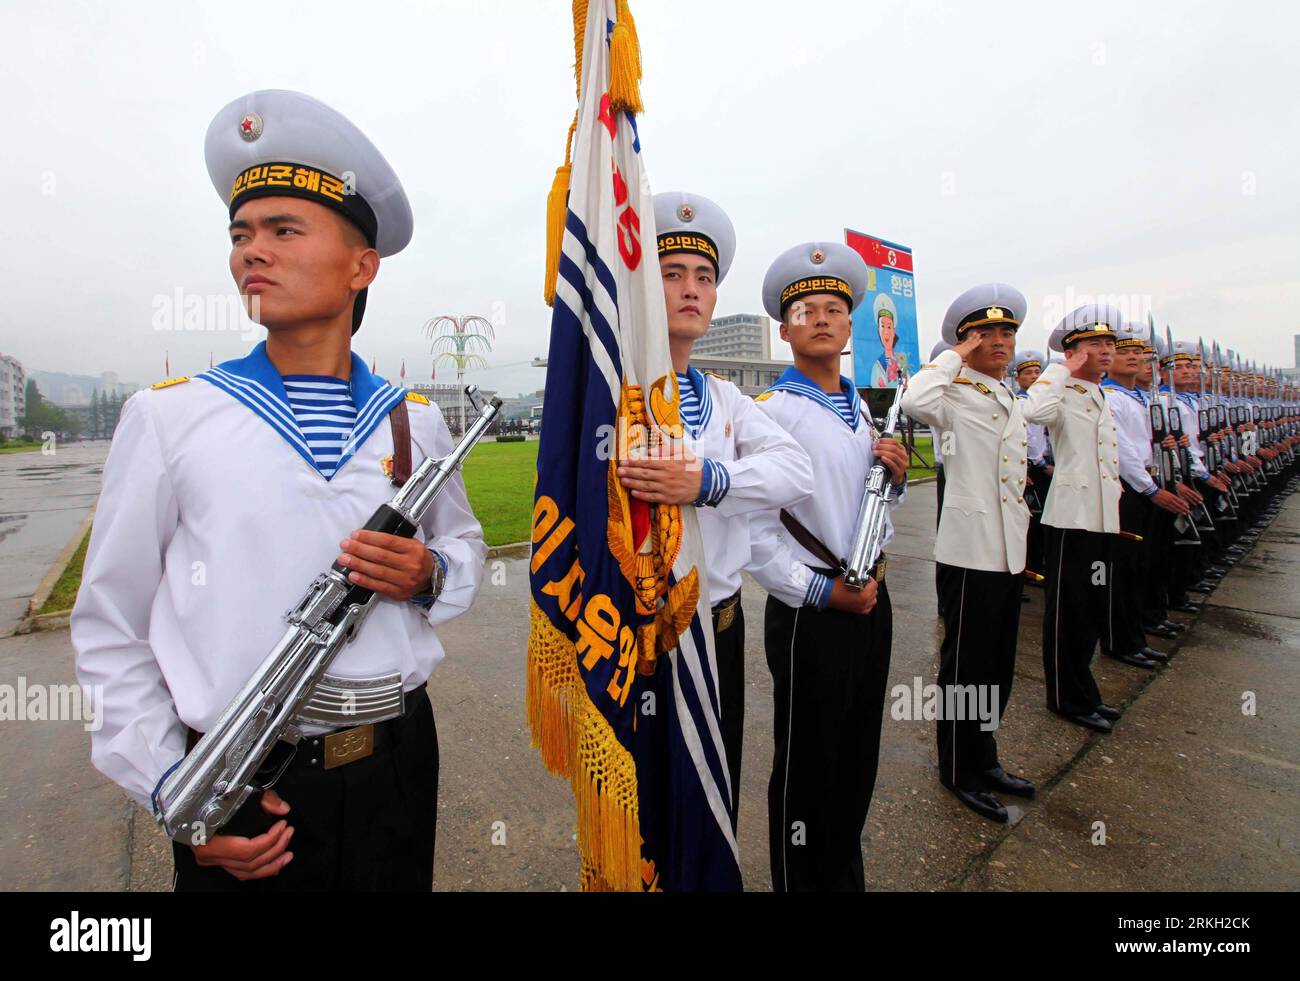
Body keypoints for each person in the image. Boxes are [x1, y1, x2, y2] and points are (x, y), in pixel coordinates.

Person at [72, 89, 486, 891]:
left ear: (362, 265)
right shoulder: (171, 417)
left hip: (396, 766)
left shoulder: (415, 422)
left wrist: (429, 574)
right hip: (244, 785)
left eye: (283, 230)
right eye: (241, 233)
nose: (249, 253)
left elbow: (464, 547)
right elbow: (110, 626)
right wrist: (175, 790)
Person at [616, 191, 812, 831]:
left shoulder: (726, 399)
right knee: (646, 806)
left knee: (713, 798)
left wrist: (707, 480)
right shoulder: (616, 400)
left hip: (720, 630)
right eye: (671, 274)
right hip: (639, 640)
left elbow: (794, 469)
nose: (691, 289)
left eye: (704, 277)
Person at [747, 241, 909, 890]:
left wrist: (893, 478)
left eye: (835, 308)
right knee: (807, 767)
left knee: (857, 754)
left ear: (850, 328)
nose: (822, 318)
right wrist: (820, 592)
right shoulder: (771, 414)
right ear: (784, 329)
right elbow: (756, 533)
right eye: (806, 309)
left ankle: (841, 871)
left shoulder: (861, 407)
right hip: (814, 610)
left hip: (873, 596)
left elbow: (862, 502)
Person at [900, 284, 1034, 823]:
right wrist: (954, 355)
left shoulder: (1004, 394)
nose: (999, 340)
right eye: (986, 333)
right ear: (966, 340)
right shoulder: (951, 391)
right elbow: (912, 399)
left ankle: (986, 757)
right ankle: (957, 767)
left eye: (1007, 332)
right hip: (969, 548)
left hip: (1008, 548)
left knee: (998, 666)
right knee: (966, 668)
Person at [1021, 304, 1123, 734]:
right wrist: (1061, 369)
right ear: (1072, 352)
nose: (1106, 350)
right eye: (1095, 343)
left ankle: (1085, 690)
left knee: (1093, 607)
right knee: (1069, 611)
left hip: (1101, 519)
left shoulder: (1099, 393)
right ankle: (1064, 696)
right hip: (1071, 519)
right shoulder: (1060, 390)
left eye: (1109, 342)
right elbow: (1033, 411)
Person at [1099, 323, 1190, 670]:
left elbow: (1144, 446)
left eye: (1139, 351)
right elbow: (1121, 452)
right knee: (1122, 571)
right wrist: (1151, 489)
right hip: (1129, 490)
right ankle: (1118, 640)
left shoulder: (1141, 398)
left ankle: (1136, 633)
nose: (1136, 356)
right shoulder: (1110, 397)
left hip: (1148, 485)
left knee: (1144, 566)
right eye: (1125, 351)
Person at [1013, 348, 1052, 579]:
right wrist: (1036, 465)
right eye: (1028, 373)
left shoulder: (1040, 402)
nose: (1034, 376)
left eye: (1038, 372)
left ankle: (1039, 564)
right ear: (1018, 377)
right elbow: (1023, 438)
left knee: (1041, 519)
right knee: (1031, 522)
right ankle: (1031, 567)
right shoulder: (1018, 403)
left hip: (1044, 464)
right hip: (1031, 467)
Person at [870, 293, 902, 387]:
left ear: (894, 331)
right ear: (878, 331)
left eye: (889, 326)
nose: (886, 332)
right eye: (882, 326)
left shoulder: (901, 363)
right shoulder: (877, 367)